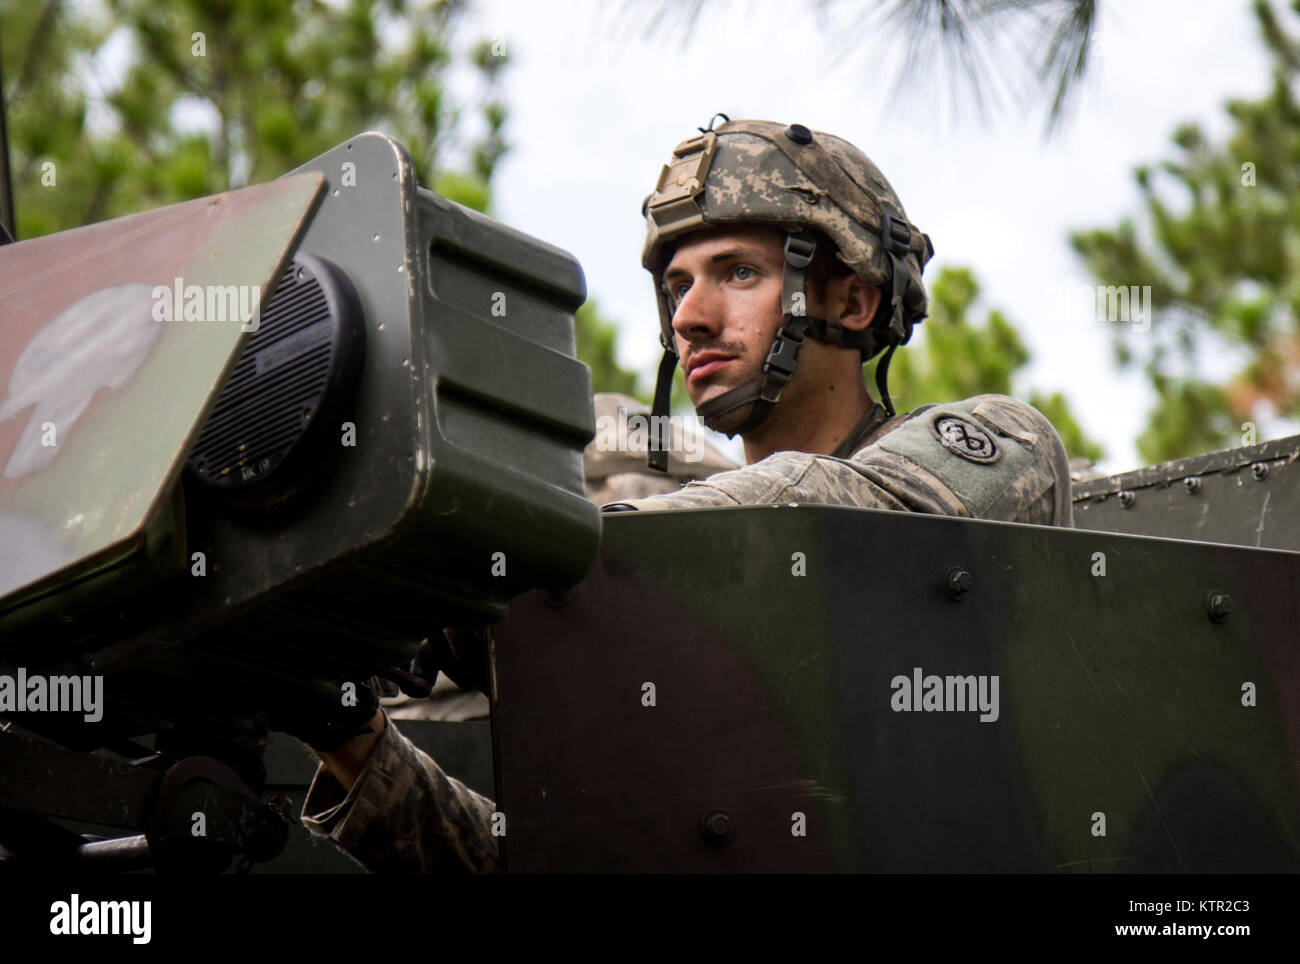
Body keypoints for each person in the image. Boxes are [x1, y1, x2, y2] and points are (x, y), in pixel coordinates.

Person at [295, 117, 1074, 873]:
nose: (691, 318)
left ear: (852, 300)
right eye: (677, 286)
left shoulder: (997, 449)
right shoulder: (641, 639)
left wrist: (499, 584)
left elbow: (808, 508)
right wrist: (351, 737)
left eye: (739, 273)